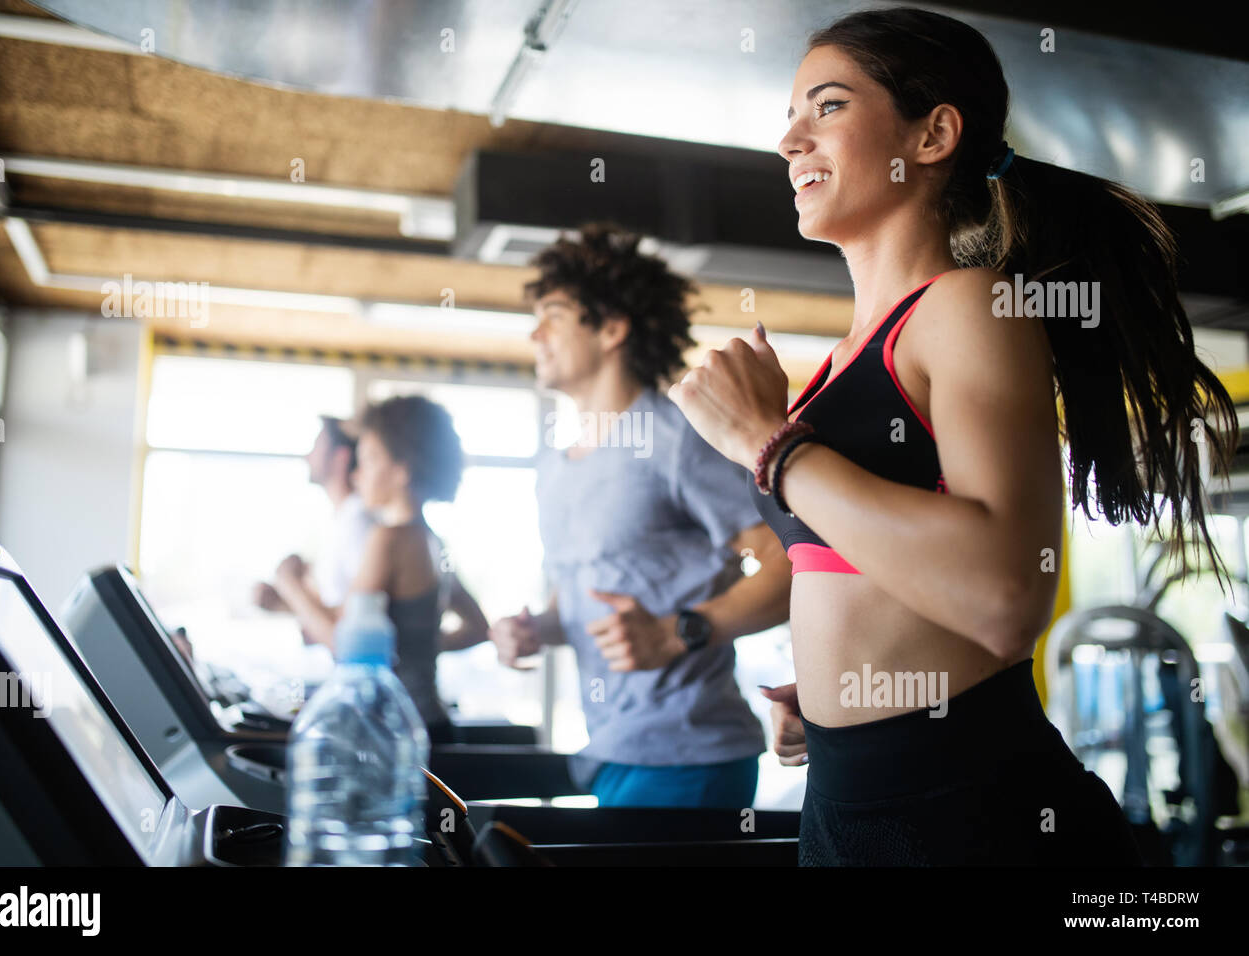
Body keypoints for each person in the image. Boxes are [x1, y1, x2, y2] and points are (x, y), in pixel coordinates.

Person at [667, 6, 1239, 865]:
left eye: (825, 107)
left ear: (932, 135)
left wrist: (769, 445)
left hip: (972, 818)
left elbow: (1006, 600)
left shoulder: (969, 305)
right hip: (850, 802)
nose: (790, 139)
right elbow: (879, 568)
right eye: (789, 116)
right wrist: (834, 699)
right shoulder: (843, 359)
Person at [488, 222, 792, 809]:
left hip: (692, 754)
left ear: (611, 329)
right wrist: (537, 629)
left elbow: (787, 562)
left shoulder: (676, 435)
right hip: (607, 749)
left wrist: (680, 632)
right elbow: (585, 598)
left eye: (553, 314)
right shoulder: (554, 463)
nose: (535, 332)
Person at [270, 396, 490, 745]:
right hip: (433, 725)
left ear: (402, 470)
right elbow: (479, 628)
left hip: (394, 735)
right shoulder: (431, 540)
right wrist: (418, 648)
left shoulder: (387, 540)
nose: (357, 474)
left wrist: (290, 584)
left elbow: (343, 645)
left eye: (370, 459)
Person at [254, 415, 375, 617]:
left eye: (317, 447)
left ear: (340, 458)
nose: (307, 457)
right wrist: (283, 600)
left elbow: (352, 623)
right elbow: (333, 609)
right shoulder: (340, 520)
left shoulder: (358, 523)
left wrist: (289, 585)